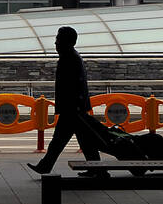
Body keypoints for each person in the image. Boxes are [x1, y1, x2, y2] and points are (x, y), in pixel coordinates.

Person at [27, 26, 106, 176]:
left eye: (58, 39)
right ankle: (97, 168)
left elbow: (72, 86)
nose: (55, 43)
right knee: (83, 139)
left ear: (66, 41)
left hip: (72, 109)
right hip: (74, 108)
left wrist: (72, 107)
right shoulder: (70, 57)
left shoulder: (70, 58)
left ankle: (46, 166)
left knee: (60, 140)